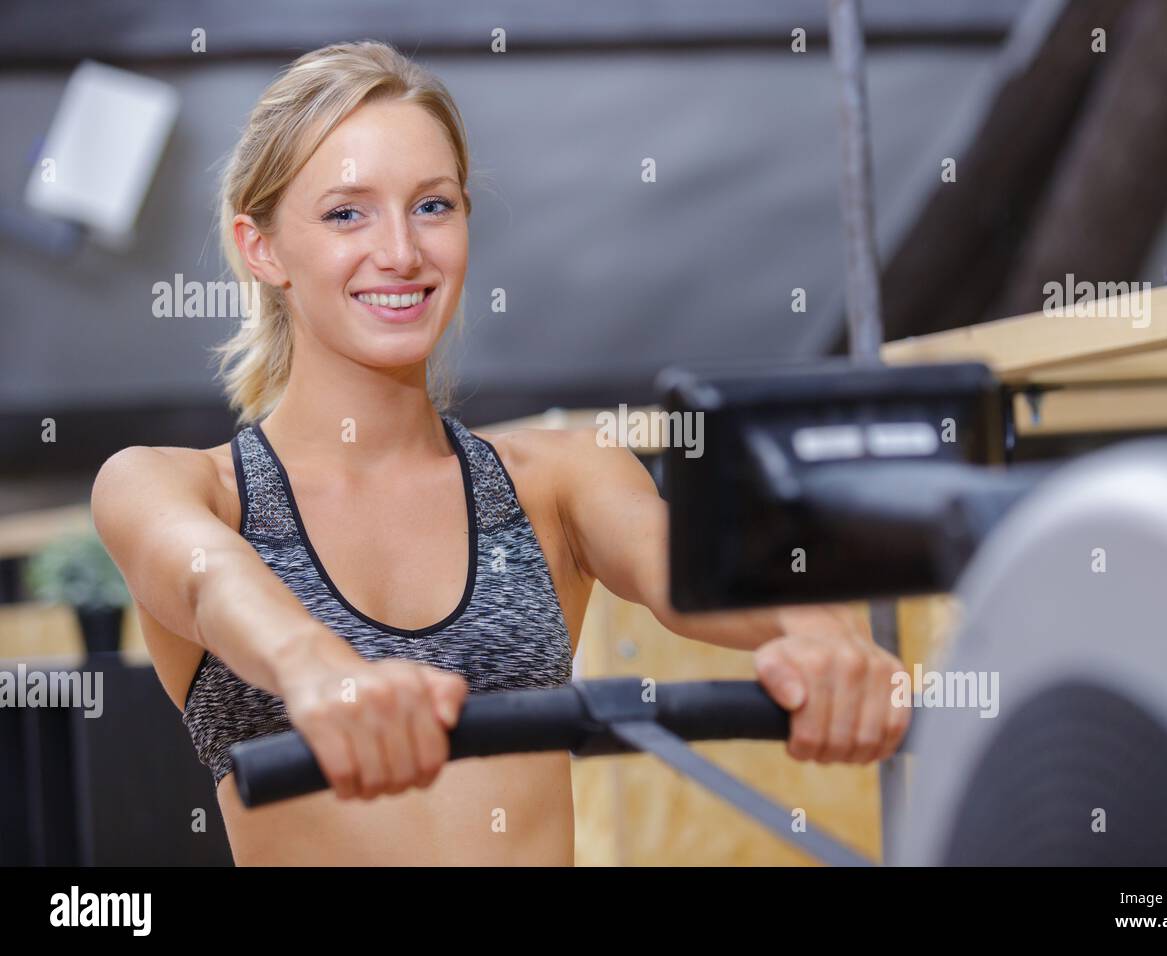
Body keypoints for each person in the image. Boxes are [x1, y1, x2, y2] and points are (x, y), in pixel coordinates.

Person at [90, 41, 909, 865]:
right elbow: (209, 580)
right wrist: (318, 673)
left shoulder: (558, 481)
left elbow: (693, 568)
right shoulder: (174, 487)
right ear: (262, 248)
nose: (402, 252)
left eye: (433, 206)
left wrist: (818, 632)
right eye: (347, 212)